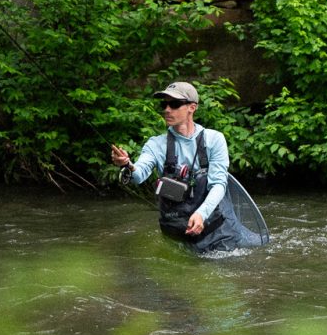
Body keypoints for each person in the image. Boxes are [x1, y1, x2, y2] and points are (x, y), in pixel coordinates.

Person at [109, 81, 259, 253]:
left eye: (174, 104)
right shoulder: (156, 144)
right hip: (176, 235)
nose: (167, 109)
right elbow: (139, 175)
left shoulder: (214, 139)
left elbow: (218, 185)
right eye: (164, 104)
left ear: (192, 107)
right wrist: (128, 165)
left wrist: (201, 214)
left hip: (217, 232)